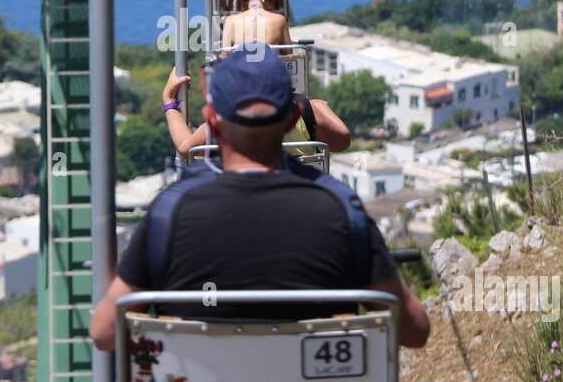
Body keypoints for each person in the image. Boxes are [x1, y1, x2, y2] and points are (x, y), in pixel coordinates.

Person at [92, 43, 429, 352]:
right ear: (294, 116)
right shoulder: (340, 208)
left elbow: (105, 332)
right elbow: (414, 331)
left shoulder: (171, 211)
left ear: (212, 121)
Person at [160, 64, 350, 159]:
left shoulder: (228, 120)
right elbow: (343, 141)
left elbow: (186, 148)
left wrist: (169, 102)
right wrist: (318, 106)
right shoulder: (305, 113)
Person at [220, 0, 291, 47]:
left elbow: (225, 55)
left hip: (242, 58)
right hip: (269, 58)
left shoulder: (230, 21)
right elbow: (288, 53)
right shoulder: (280, 20)